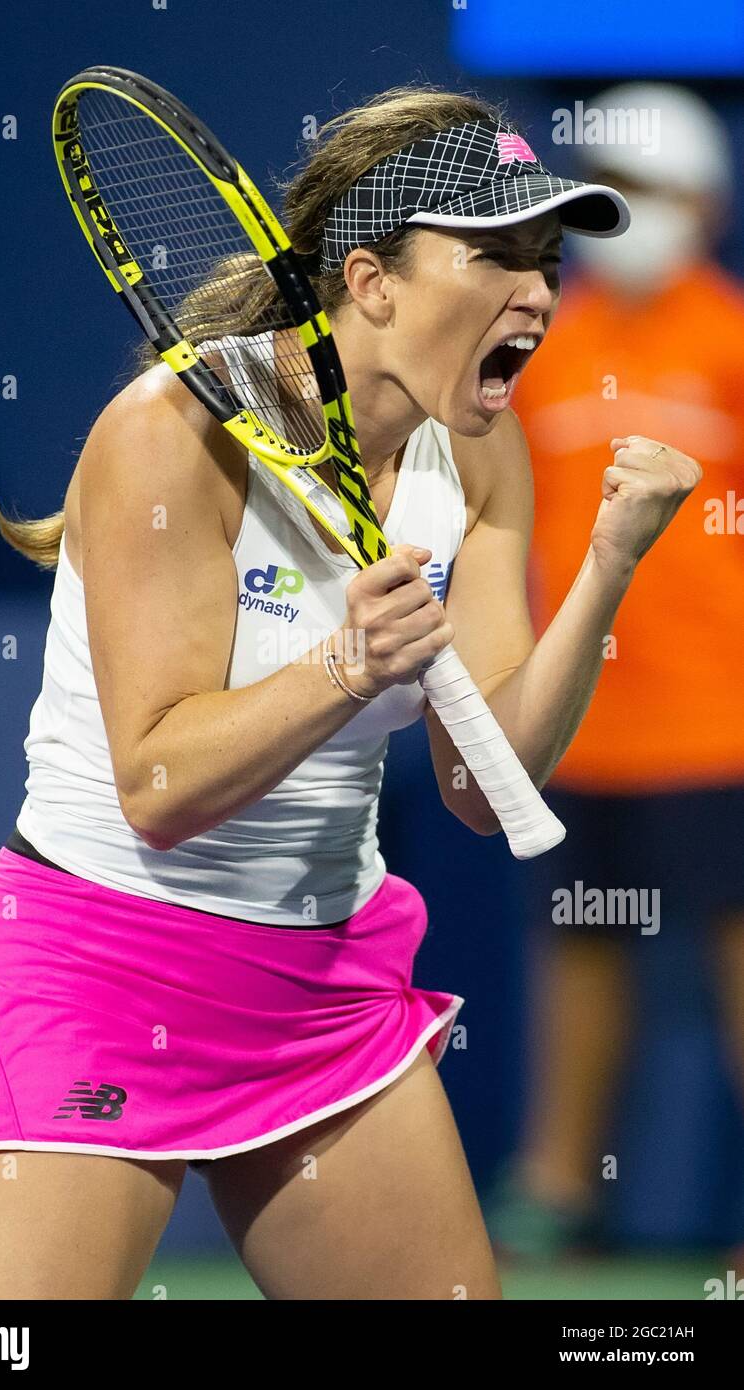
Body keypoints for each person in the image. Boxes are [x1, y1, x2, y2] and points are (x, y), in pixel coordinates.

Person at [0, 85, 700, 1301]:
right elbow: (158, 787)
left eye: (543, 258)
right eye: (492, 253)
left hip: (321, 981)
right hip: (98, 965)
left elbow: (481, 788)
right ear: (371, 282)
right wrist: (346, 667)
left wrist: (606, 563)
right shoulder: (170, 434)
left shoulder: (480, 451)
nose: (536, 291)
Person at [488, 84, 744, 1261]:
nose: (627, 213)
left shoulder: (730, 337)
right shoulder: (540, 345)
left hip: (721, 724)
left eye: (648, 190)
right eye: (610, 191)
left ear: (702, 201)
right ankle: (556, 1189)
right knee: (577, 949)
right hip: (578, 726)